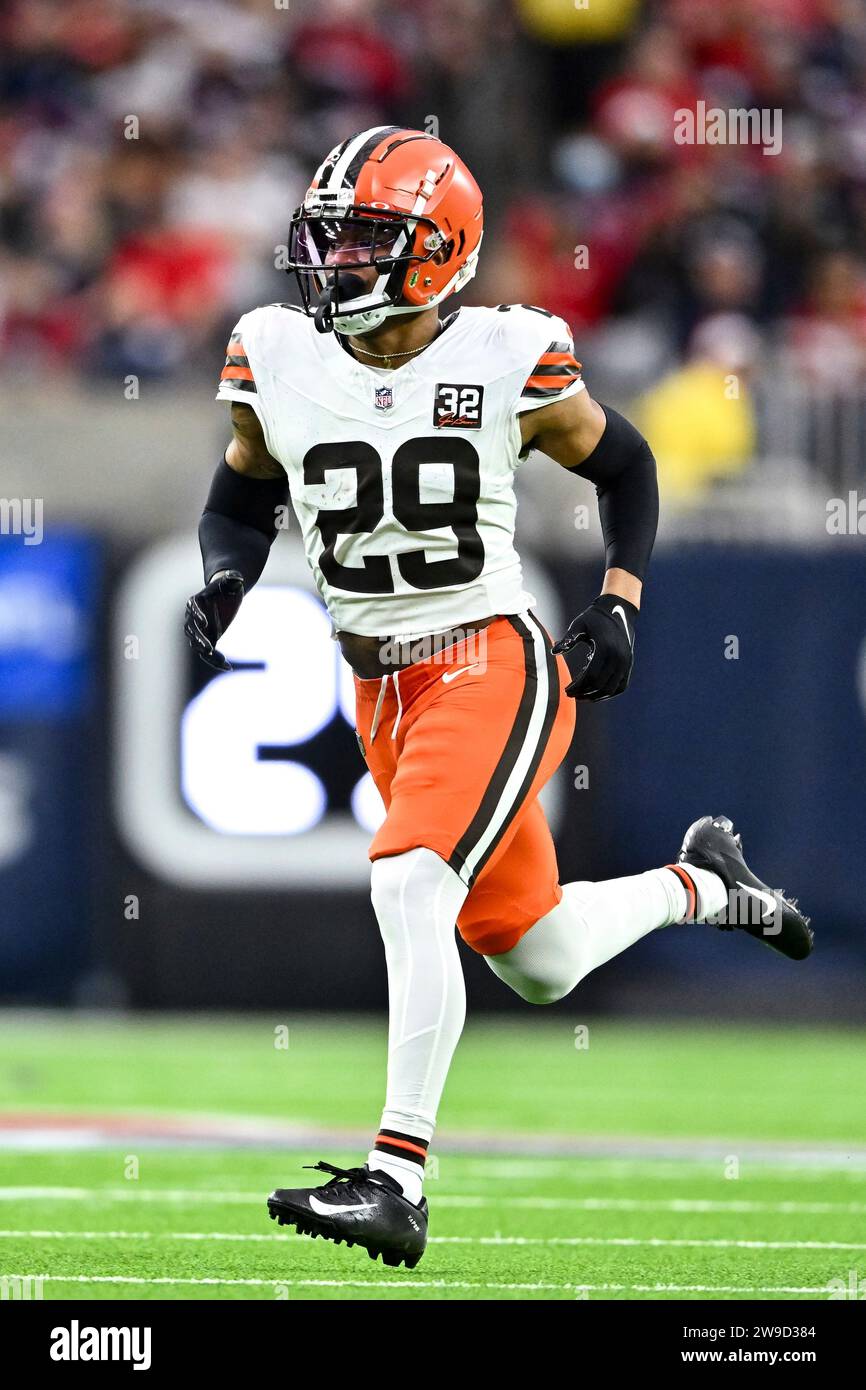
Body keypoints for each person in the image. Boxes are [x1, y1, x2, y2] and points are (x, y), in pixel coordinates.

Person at [184, 127, 812, 1270]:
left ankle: (395, 1176)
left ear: (437, 253)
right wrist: (225, 575)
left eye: (364, 236)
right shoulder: (272, 352)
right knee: (537, 954)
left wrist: (620, 596)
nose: (332, 257)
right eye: (328, 232)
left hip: (484, 655)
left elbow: (622, 464)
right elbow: (239, 495)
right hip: (378, 688)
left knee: (410, 872)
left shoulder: (504, 354)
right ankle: (705, 885)